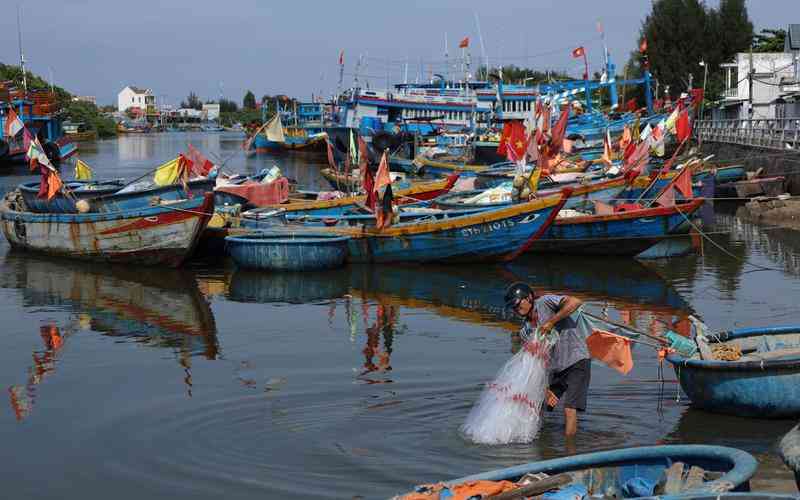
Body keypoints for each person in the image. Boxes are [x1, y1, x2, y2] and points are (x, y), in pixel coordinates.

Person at [504, 282, 590, 437]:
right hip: (555, 369)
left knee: (569, 408)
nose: (516, 309)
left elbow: (576, 302)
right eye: (513, 307)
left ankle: (570, 453)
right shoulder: (525, 332)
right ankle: (540, 443)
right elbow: (535, 364)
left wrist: (552, 321)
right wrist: (545, 391)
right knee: (538, 406)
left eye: (518, 304)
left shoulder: (545, 303)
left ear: (529, 297)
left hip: (576, 360)